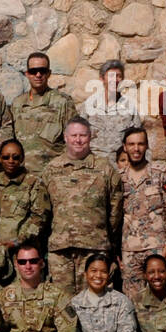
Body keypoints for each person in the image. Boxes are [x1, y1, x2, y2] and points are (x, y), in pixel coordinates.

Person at [43, 116, 123, 294]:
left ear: (90, 137)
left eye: (83, 135)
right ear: (65, 137)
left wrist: (105, 236)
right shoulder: (51, 169)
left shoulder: (105, 169)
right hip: (60, 249)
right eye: (74, 135)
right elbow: (43, 210)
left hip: (95, 246)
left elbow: (115, 211)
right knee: (62, 303)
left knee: (96, 300)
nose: (78, 140)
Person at [119, 126, 166, 300]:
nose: (136, 149)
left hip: (157, 248)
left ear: (146, 146)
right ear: (124, 147)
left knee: (161, 296)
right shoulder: (117, 177)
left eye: (141, 144)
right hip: (129, 250)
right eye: (132, 144)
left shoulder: (160, 173)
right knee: (132, 299)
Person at [0, 138, 51, 289]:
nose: (11, 161)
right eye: (6, 157)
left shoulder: (34, 183)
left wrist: (17, 242)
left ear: (22, 159)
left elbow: (39, 219)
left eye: (16, 157)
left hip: (27, 253)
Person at [10, 51, 76, 175]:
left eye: (42, 70)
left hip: (53, 175)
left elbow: (72, 141)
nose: (38, 75)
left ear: (49, 73)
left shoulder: (63, 102)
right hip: (23, 176)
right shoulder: (17, 104)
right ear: (27, 74)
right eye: (33, 71)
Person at [84, 59, 139, 162]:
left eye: (119, 76)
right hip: (93, 164)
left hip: (120, 164)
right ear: (102, 78)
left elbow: (139, 139)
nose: (115, 80)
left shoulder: (130, 107)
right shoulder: (89, 105)